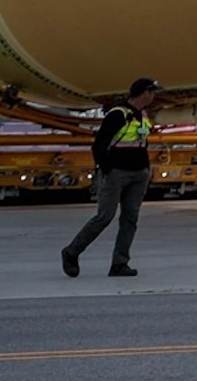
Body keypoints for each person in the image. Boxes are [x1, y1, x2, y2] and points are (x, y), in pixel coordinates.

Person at [62, 78, 158, 278]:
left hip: (138, 174)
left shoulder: (142, 115)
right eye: (152, 92)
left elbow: (141, 143)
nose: (154, 96)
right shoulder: (118, 115)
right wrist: (108, 169)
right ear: (144, 93)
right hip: (117, 173)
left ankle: (120, 264)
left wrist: (146, 169)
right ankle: (72, 252)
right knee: (104, 217)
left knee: (130, 219)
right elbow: (98, 146)